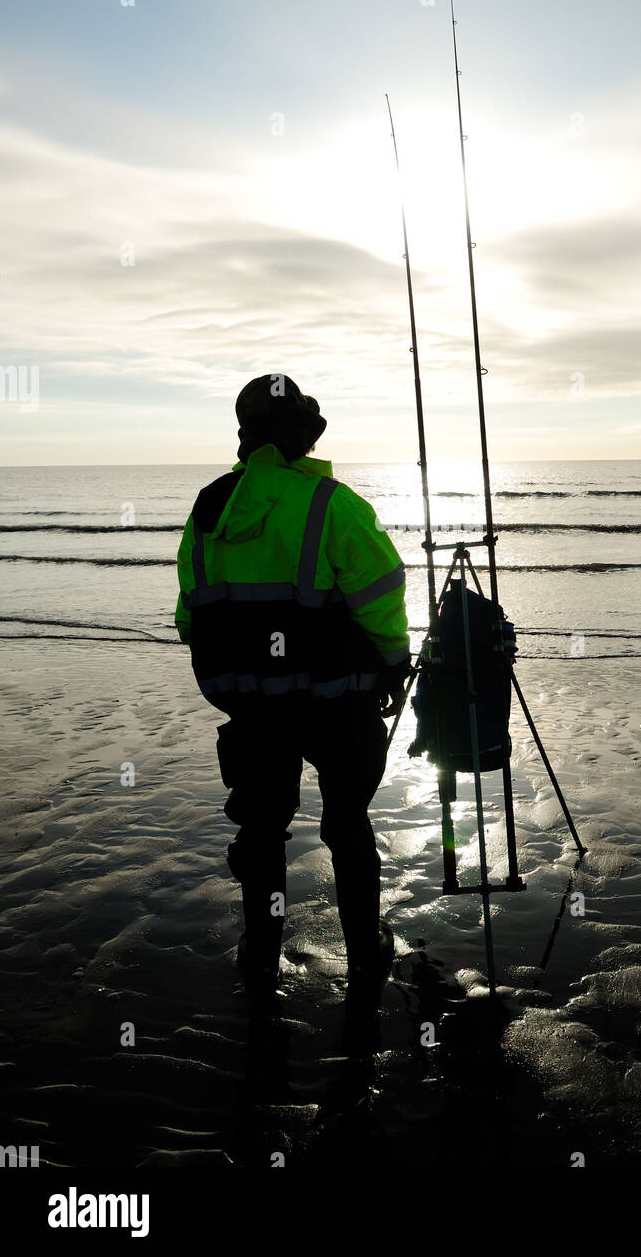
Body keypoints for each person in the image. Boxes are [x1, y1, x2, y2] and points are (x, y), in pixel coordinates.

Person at [174, 373, 411, 1040]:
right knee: (346, 824)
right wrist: (394, 660)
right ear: (305, 433)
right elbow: (379, 593)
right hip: (337, 704)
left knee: (262, 830)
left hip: (252, 709)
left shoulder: (209, 506)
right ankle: (365, 952)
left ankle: (262, 952)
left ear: (246, 435)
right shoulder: (329, 503)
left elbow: (190, 612)